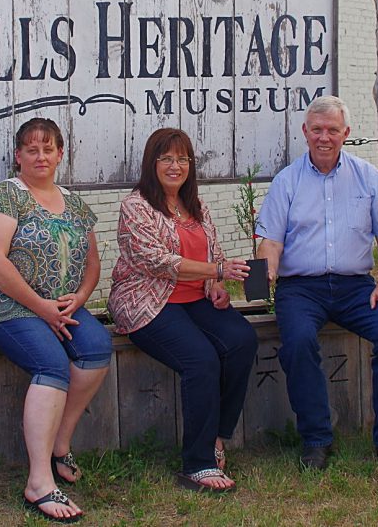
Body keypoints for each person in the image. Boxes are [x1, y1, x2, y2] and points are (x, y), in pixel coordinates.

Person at [254, 96, 378, 480]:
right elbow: (270, 241)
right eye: (317, 130)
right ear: (305, 132)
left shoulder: (367, 176)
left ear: (346, 133)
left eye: (332, 130)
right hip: (300, 289)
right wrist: (265, 280)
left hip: (356, 287)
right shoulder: (287, 181)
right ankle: (316, 439)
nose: (324, 137)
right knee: (296, 342)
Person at [0, 118, 112, 524]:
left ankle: (60, 443)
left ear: (60, 154)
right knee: (51, 365)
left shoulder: (75, 202)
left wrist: (80, 298)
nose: (40, 156)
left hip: (61, 308)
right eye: (31, 149)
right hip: (7, 307)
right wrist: (41, 307)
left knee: (97, 351)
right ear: (18, 156)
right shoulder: (6, 197)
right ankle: (39, 481)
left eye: (48, 149)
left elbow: (92, 261)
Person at [109, 128, 258, 493]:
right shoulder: (137, 206)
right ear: (152, 163)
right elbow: (157, 261)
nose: (175, 166)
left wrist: (218, 285)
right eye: (167, 158)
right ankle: (198, 463)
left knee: (242, 339)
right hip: (147, 301)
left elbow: (214, 255)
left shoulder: (197, 206)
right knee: (201, 359)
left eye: (183, 159)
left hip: (195, 298)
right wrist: (217, 272)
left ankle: (218, 437)